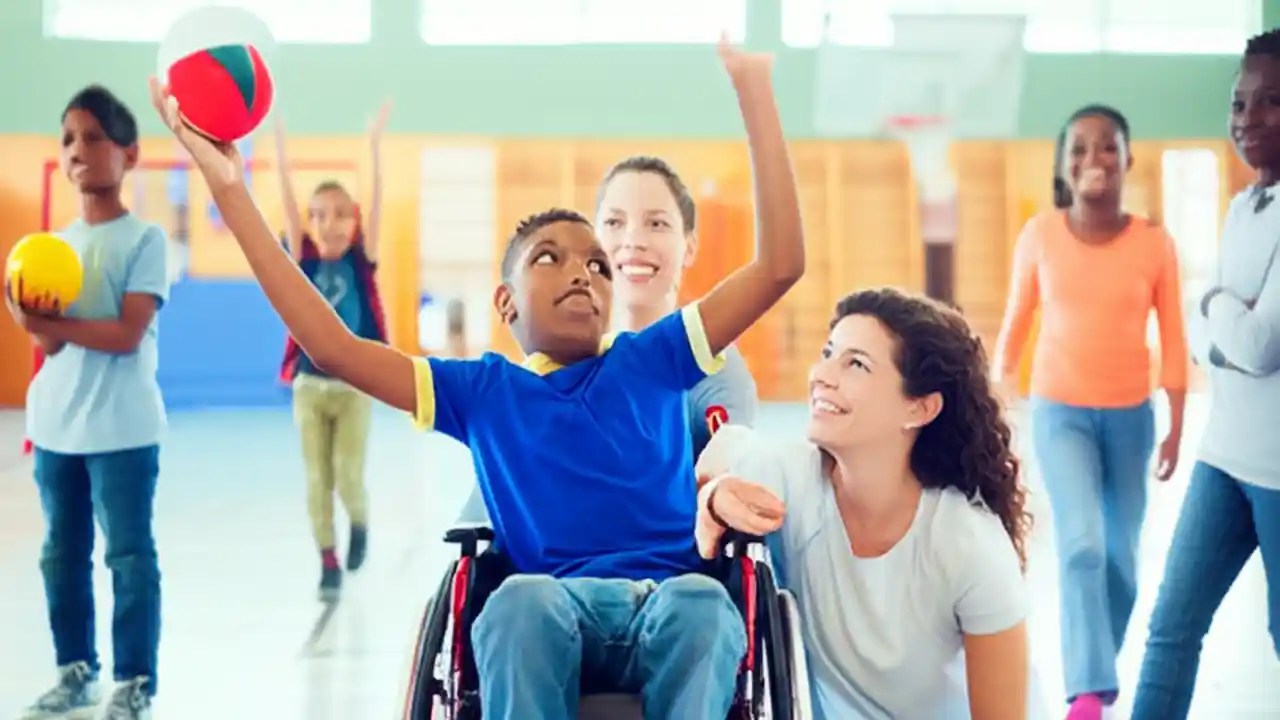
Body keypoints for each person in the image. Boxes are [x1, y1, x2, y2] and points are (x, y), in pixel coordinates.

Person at [149, 36, 804, 720]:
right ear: (505, 303)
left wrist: (755, 94)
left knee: (704, 603)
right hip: (550, 602)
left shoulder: (653, 358)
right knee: (517, 602)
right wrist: (230, 189)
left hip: (664, 597)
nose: (583, 270)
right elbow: (333, 346)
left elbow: (780, 265)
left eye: (597, 265)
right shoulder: (484, 392)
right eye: (550, 257)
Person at [694, 288, 1033, 720]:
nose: (821, 375)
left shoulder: (968, 542)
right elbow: (721, 451)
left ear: (920, 408)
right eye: (828, 353)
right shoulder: (791, 478)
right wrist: (715, 496)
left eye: (856, 364)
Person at [992, 104, 1189, 719]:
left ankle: (1092, 666)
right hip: (1060, 413)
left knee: (1121, 564)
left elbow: (1177, 338)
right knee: (1080, 545)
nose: (1094, 159)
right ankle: (1088, 692)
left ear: (1128, 160)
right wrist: (997, 403)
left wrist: (1177, 423)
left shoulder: (1155, 244)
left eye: (1108, 147)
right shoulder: (1040, 235)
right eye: (1079, 148)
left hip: (1133, 416)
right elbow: (1014, 326)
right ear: (1062, 164)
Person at [454, 154, 759, 524]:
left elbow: (730, 453)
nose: (633, 240)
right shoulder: (553, 353)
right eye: (615, 222)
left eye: (657, 223)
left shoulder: (715, 365)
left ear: (689, 246)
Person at [7, 85, 169, 720]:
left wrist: (48, 325)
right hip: (55, 427)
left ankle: (133, 680)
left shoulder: (144, 240)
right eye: (68, 139)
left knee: (129, 557)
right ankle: (74, 668)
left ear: (129, 154)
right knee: (61, 555)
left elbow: (127, 334)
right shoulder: (52, 247)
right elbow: (49, 340)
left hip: (123, 431)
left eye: (94, 137)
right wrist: (27, 315)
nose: (79, 150)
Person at [1132, 28, 1280, 719]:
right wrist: (1225, 315)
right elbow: (1214, 336)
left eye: (1272, 102)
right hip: (1223, 460)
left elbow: (1256, 346)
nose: (1249, 118)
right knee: (1171, 628)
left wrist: (1217, 310)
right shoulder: (1240, 209)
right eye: (1241, 102)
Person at [273, 102, 391, 601]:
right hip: (309, 386)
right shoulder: (299, 259)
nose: (331, 224)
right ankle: (327, 558)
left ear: (355, 222)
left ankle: (359, 522)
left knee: (347, 475)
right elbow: (283, 195)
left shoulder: (362, 261)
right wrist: (277, 144)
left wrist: (373, 146)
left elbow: (377, 199)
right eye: (319, 216)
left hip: (352, 388)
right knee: (316, 478)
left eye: (342, 215)